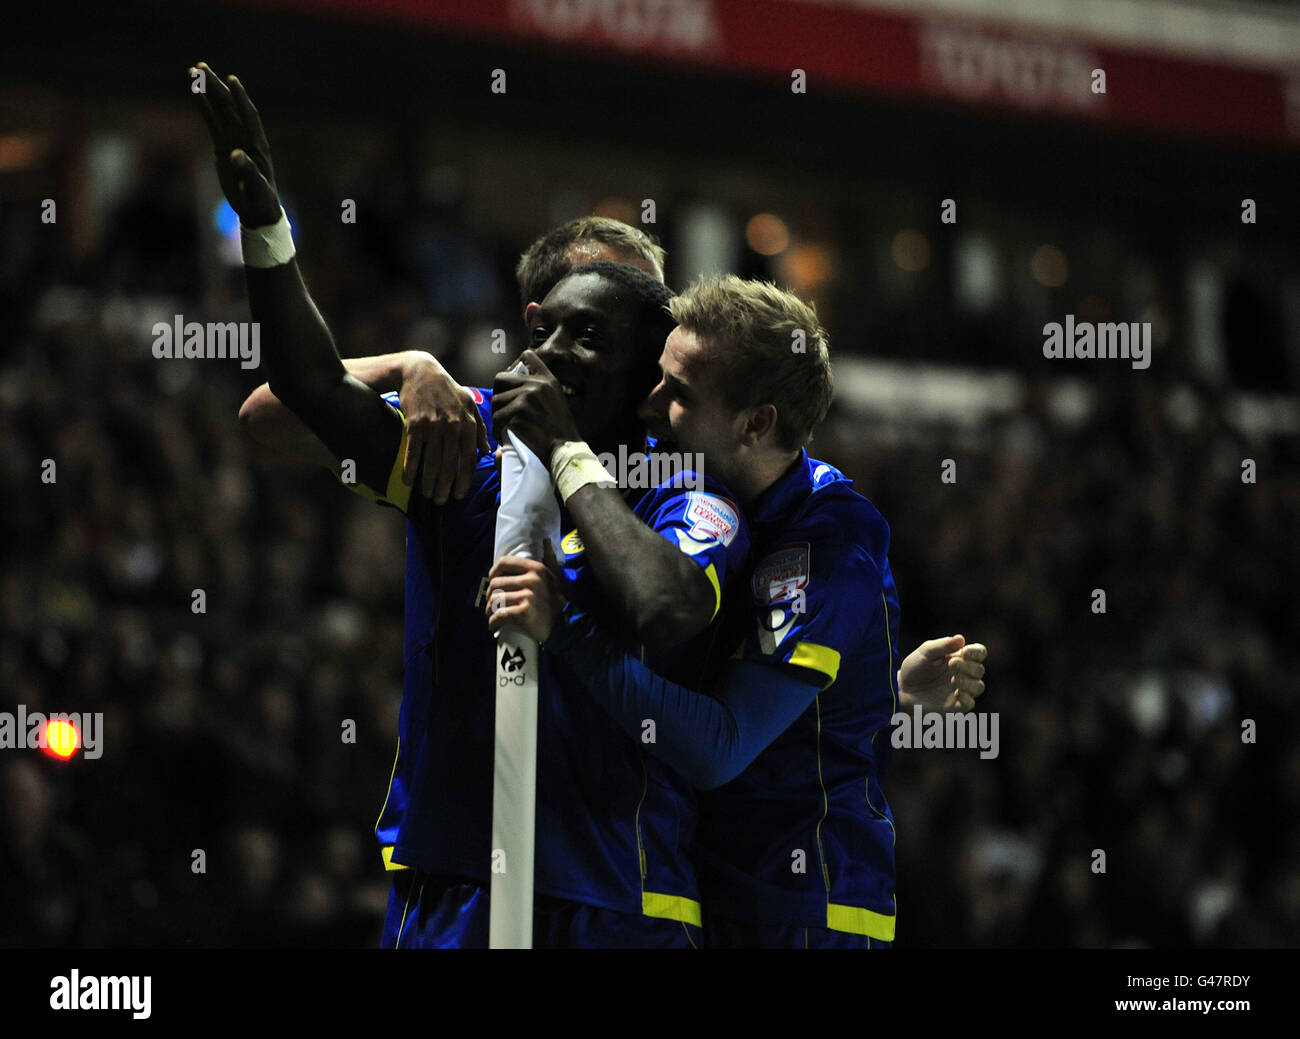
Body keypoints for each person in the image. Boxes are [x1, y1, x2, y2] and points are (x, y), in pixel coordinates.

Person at [194, 63, 750, 947]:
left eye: (594, 331)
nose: (557, 347)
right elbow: (288, 398)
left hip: (617, 896)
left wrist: (568, 455)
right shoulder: (464, 437)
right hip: (452, 880)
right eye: (547, 326)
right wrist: (271, 232)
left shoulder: (683, 481)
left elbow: (667, 603)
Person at [489, 274, 988, 948]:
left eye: (679, 394)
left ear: (756, 424)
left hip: (802, 909)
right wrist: (880, 691)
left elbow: (721, 746)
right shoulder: (701, 481)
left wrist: (567, 633)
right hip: (712, 884)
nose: (649, 401)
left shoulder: (830, 541)